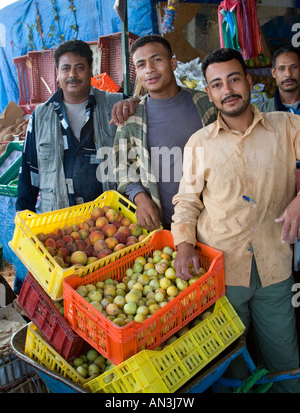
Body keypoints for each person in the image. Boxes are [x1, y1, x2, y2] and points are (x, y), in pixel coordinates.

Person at [171, 47, 300, 393]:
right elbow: (186, 202)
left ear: (248, 80)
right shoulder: (199, 144)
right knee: (229, 367)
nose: (227, 90)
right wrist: (183, 246)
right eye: (216, 84)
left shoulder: (287, 127)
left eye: (233, 79)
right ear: (210, 93)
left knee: (286, 362)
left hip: (275, 267)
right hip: (222, 272)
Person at [16, 39, 139, 213]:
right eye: (66, 68)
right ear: (58, 73)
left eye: (79, 67)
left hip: (111, 219)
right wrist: (23, 215)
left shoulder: (118, 104)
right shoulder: (41, 115)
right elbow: (29, 171)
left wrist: (136, 102)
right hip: (58, 223)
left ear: (90, 70)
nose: (72, 74)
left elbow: (151, 111)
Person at [113, 34, 217, 231]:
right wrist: (140, 198)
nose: (150, 70)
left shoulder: (206, 105)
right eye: (141, 65)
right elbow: (123, 168)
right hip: (162, 224)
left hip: (210, 219)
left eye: (156, 60)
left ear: (173, 63)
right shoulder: (132, 118)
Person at [258, 45, 300, 114]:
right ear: (274, 73)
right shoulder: (262, 113)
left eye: (294, 67)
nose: (288, 74)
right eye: (282, 68)